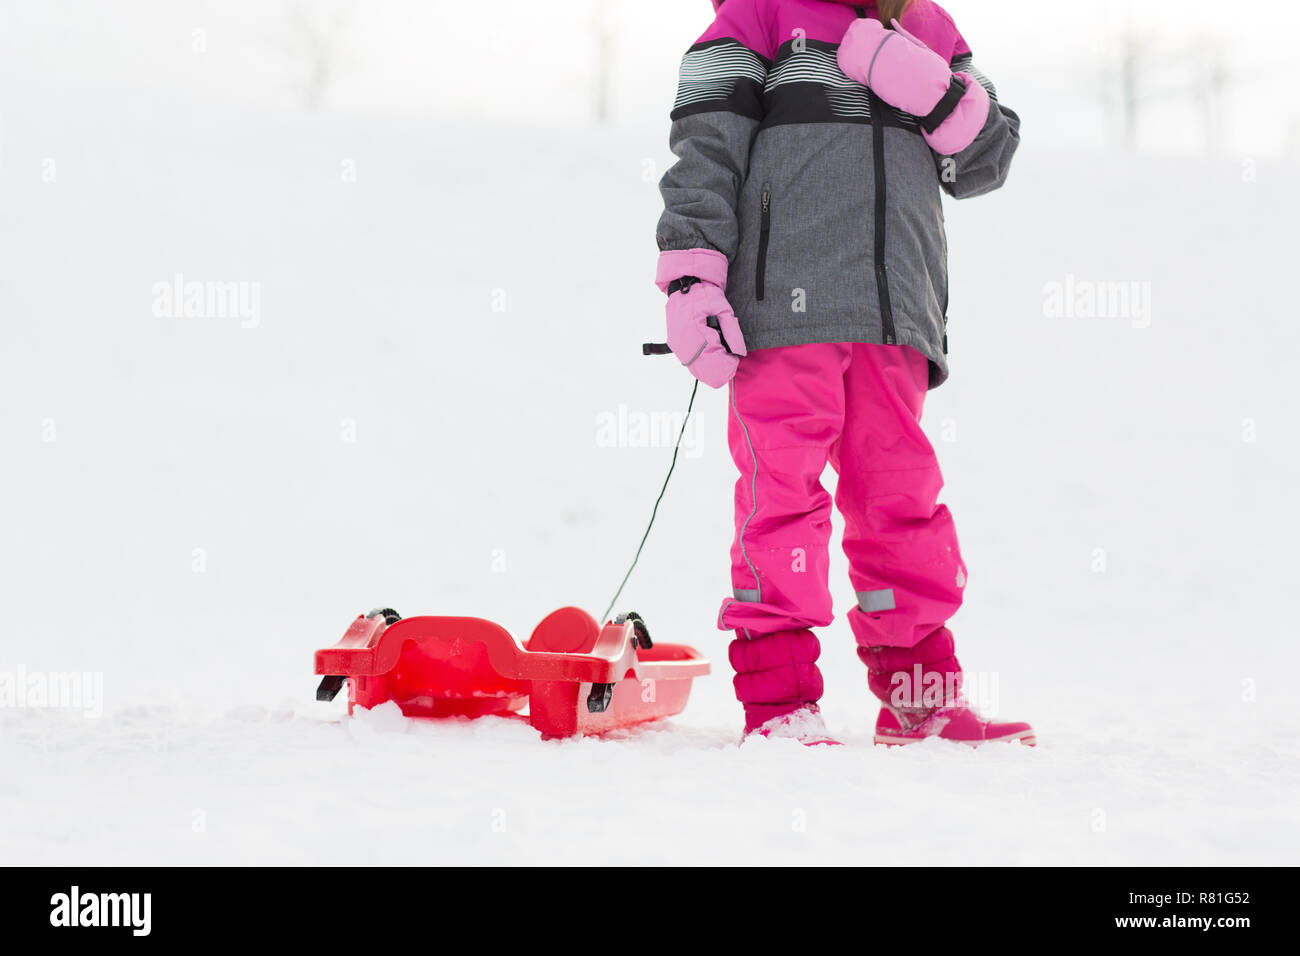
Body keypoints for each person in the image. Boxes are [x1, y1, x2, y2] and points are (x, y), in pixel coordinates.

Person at [654, 0, 1035, 746]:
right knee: (781, 502)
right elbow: (706, 154)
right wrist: (692, 280)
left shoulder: (928, 26)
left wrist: (927, 86)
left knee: (902, 504)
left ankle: (920, 700)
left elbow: (985, 161)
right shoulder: (757, 17)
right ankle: (780, 705)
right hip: (782, 316)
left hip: (895, 317)